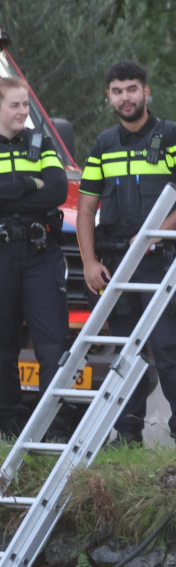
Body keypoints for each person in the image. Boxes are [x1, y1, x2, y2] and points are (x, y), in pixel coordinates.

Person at [78, 61, 176, 448]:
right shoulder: (103, 145)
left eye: (132, 89)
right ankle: (127, 436)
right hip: (118, 265)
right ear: (109, 97)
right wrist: (90, 261)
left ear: (146, 92)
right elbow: (86, 208)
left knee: (170, 349)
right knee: (125, 353)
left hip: (160, 261)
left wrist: (161, 231)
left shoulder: (172, 136)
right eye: (118, 91)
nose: (126, 97)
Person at [0, 77, 72, 437]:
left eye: (26, 106)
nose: (23, 113)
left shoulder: (41, 144)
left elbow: (58, 191)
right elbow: (41, 189)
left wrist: (10, 191)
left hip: (40, 255)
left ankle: (54, 427)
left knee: (52, 344)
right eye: (15, 105)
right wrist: (30, 184)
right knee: (3, 346)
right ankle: (8, 427)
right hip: (2, 257)